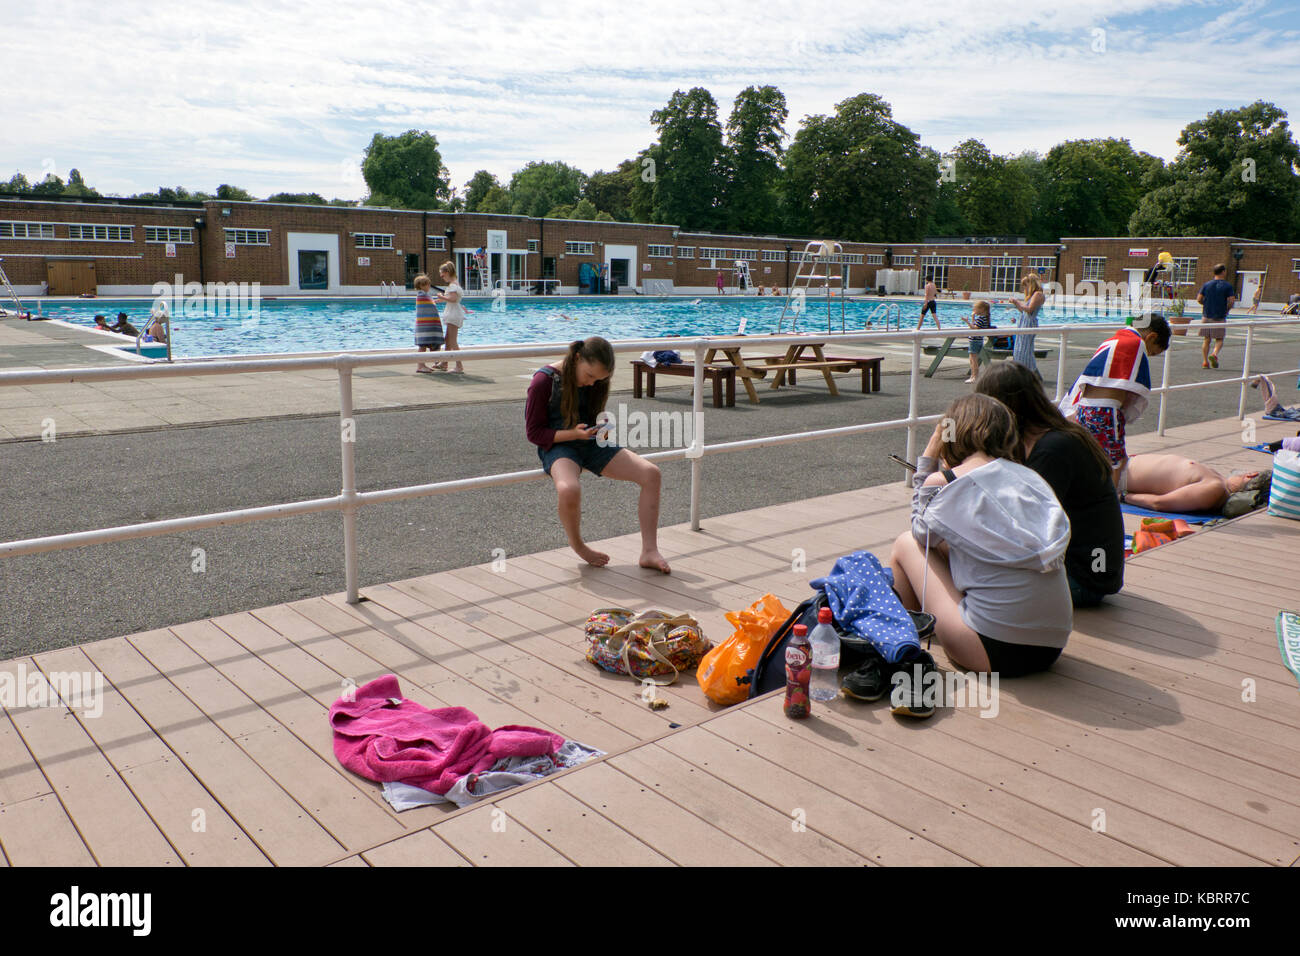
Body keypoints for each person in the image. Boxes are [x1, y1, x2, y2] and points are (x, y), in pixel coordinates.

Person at [889, 393, 1072, 676]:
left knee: (906, 543)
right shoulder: (1030, 479)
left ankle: (901, 634)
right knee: (952, 548)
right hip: (1050, 647)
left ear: (954, 433)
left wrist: (929, 458)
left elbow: (921, 535)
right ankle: (912, 626)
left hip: (992, 651)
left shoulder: (948, 481)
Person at [975, 361, 1124, 607]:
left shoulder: (1053, 450)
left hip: (1085, 579)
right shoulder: (1054, 436)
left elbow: (1021, 526)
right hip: (1093, 569)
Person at [525, 336, 670, 574]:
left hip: (589, 441)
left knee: (651, 474)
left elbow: (594, 415)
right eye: (590, 376)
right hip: (559, 445)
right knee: (569, 489)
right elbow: (534, 433)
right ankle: (578, 545)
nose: (592, 383)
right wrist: (572, 434)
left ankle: (650, 551)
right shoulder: (544, 381)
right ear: (578, 358)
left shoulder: (596, 381)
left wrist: (601, 427)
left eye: (599, 380)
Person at [1062, 314, 1171, 490]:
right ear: (1152, 337)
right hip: (1106, 412)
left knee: (1091, 454)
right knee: (1114, 463)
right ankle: (1109, 501)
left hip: (1085, 409)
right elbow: (1136, 388)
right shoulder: (1136, 344)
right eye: (1152, 352)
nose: (1147, 355)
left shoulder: (1112, 341)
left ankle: (1086, 493)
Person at [1121, 454, 1268, 514]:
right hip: (1120, 462)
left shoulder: (1214, 488)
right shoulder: (1218, 482)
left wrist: (1124, 497)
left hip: (1117, 472)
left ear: (1251, 475)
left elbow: (1159, 503)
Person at [1196, 263, 1235, 369]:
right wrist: (1226, 309)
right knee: (1219, 339)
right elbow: (1231, 301)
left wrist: (1206, 304)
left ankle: (1205, 362)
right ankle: (1214, 354)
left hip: (1206, 315)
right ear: (1223, 272)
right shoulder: (1227, 285)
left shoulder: (1206, 284)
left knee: (1206, 339)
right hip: (1219, 316)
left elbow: (1199, 299)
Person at [1005, 273, 1045, 376]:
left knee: (1023, 350)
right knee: (1022, 349)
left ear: (1031, 284)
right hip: (1025, 322)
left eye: (1025, 285)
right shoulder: (1034, 295)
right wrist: (1016, 304)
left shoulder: (1038, 294)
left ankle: (1027, 374)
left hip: (1028, 324)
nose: (1024, 288)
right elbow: (1024, 311)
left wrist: (1017, 302)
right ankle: (1029, 374)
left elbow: (1029, 309)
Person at [435, 261, 467, 374]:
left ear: (448, 272)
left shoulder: (453, 285)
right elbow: (451, 298)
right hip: (454, 313)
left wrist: (440, 297)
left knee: (452, 341)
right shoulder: (454, 284)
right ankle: (444, 362)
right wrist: (440, 299)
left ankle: (459, 366)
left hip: (453, 315)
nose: (442, 278)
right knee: (448, 339)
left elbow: (453, 299)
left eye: (443, 276)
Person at [411, 273, 443, 373]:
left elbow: (430, 303)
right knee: (422, 346)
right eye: (427, 284)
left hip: (424, 326)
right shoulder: (421, 296)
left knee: (424, 345)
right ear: (421, 286)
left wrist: (436, 301)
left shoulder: (424, 296)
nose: (429, 286)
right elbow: (427, 307)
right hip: (424, 326)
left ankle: (423, 364)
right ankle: (420, 365)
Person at [961, 300, 992, 383]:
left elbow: (974, 328)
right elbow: (976, 326)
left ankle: (974, 376)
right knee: (973, 359)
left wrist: (967, 322)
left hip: (975, 341)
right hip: (978, 340)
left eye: (975, 308)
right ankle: (973, 375)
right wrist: (972, 318)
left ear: (981, 309)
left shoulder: (981, 319)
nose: (974, 310)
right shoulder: (985, 318)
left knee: (973, 360)